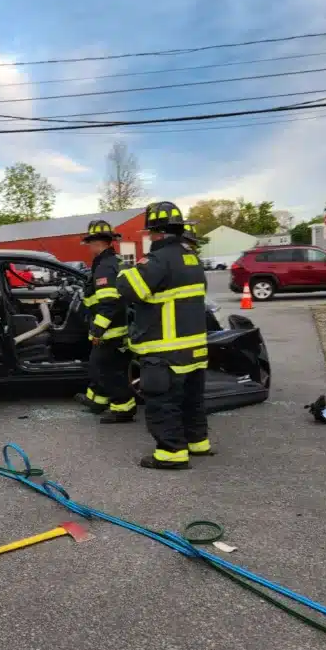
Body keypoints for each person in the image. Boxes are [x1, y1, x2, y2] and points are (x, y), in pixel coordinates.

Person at [117, 201, 213, 469]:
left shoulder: (158, 259)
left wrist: (123, 270)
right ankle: (197, 442)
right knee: (191, 399)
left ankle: (171, 453)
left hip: (165, 348)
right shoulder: (191, 257)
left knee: (163, 400)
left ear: (156, 232)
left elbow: (128, 288)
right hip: (194, 347)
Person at [78, 219, 135, 423]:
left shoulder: (105, 267)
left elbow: (109, 303)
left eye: (91, 244)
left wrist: (97, 331)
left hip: (112, 331)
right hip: (116, 327)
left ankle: (123, 409)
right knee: (99, 367)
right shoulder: (110, 262)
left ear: (97, 243)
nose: (90, 248)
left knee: (110, 371)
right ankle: (98, 402)